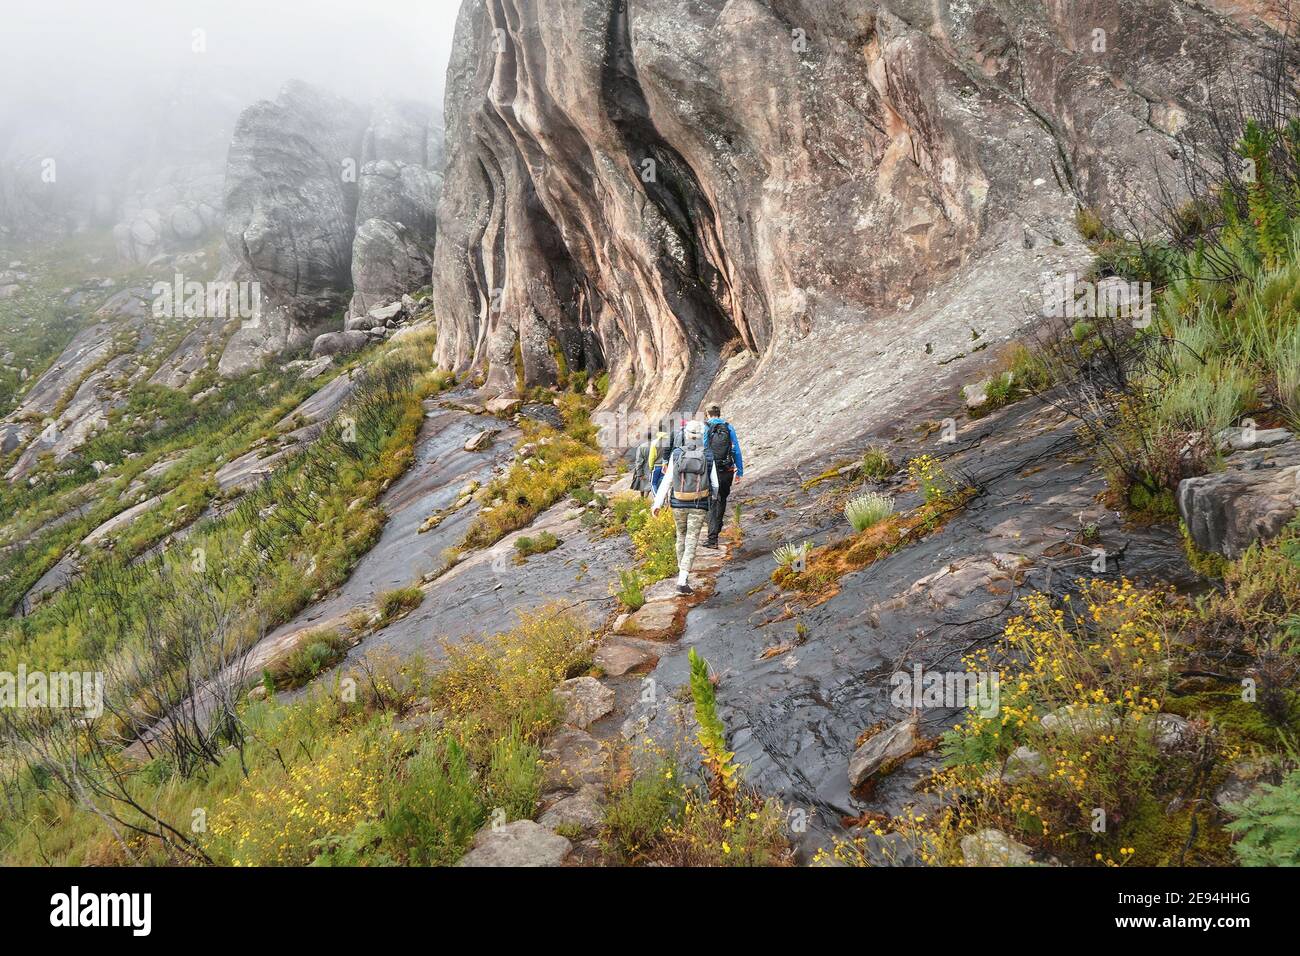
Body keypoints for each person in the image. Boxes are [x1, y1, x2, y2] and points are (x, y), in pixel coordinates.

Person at [651, 420, 719, 595]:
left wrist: (657, 503)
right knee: (692, 540)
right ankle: (682, 579)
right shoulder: (708, 454)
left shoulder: (676, 453)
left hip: (678, 502)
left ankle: (682, 573)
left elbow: (667, 481)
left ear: (686, 435)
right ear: (701, 435)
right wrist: (713, 496)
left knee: (681, 536)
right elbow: (715, 484)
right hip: (699, 503)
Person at [702, 403, 743, 548]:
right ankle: (718, 527)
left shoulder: (706, 427)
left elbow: (704, 449)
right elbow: (736, 450)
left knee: (712, 501)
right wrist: (740, 470)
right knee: (723, 498)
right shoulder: (728, 426)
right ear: (719, 413)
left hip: (711, 469)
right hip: (727, 469)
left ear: (707, 414)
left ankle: (712, 539)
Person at [630, 429, 652, 495]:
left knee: (642, 484)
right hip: (652, 468)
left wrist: (639, 473)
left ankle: (643, 499)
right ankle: (646, 498)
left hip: (643, 468)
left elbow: (638, 461)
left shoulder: (641, 447)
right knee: (650, 484)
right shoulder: (656, 445)